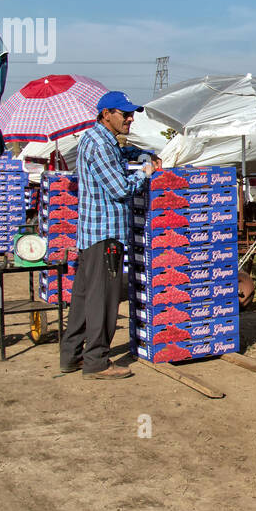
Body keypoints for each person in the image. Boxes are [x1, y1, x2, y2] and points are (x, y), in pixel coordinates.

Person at [59, 91, 161, 380]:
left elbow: (120, 154)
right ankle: (97, 361)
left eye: (131, 114)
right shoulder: (100, 145)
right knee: (103, 299)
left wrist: (139, 154)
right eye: (125, 114)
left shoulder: (102, 141)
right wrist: (146, 171)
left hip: (93, 234)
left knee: (82, 297)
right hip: (105, 235)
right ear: (106, 114)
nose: (130, 119)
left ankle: (71, 355)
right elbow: (119, 188)